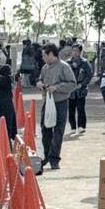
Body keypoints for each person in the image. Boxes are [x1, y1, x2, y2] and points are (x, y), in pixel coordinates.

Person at [36, 42, 77, 171]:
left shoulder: (64, 67)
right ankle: (47, 155)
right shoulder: (45, 68)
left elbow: (72, 84)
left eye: (44, 55)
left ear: (51, 54)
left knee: (58, 131)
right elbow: (40, 79)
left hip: (60, 102)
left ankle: (54, 159)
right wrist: (40, 84)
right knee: (45, 129)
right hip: (47, 102)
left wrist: (57, 88)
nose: (43, 58)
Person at [67, 43, 93, 136]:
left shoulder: (85, 62)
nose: (74, 53)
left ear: (80, 52)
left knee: (80, 108)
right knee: (71, 109)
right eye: (73, 51)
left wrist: (82, 84)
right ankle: (73, 127)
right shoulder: (68, 63)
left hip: (81, 90)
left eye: (77, 51)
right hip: (71, 90)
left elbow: (89, 75)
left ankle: (81, 126)